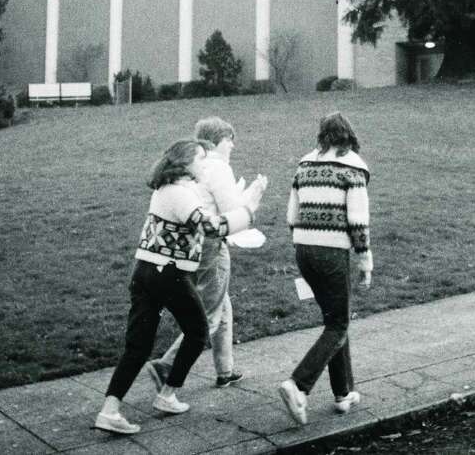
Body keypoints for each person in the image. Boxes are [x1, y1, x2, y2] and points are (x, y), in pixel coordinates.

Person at [94, 139, 267, 435]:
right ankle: (168, 395)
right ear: (185, 164)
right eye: (200, 159)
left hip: (145, 271)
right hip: (168, 274)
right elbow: (210, 227)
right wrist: (249, 210)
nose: (205, 164)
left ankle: (110, 411)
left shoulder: (170, 189)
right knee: (198, 332)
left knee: (138, 346)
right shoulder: (179, 193)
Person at [277, 112, 372, 426]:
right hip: (332, 253)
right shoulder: (353, 167)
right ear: (349, 135)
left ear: (323, 135)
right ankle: (298, 385)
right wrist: (365, 261)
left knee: (335, 320)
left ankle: (343, 393)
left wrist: (303, 240)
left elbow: (292, 214)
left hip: (303, 250)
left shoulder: (305, 164)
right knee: (338, 324)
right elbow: (357, 220)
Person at [145, 117, 247, 389]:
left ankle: (225, 370)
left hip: (192, 244)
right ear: (216, 141)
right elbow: (230, 210)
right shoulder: (219, 167)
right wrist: (249, 202)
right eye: (229, 140)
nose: (232, 146)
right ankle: (166, 365)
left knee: (222, 305)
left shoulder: (194, 166)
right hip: (212, 242)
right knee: (210, 313)